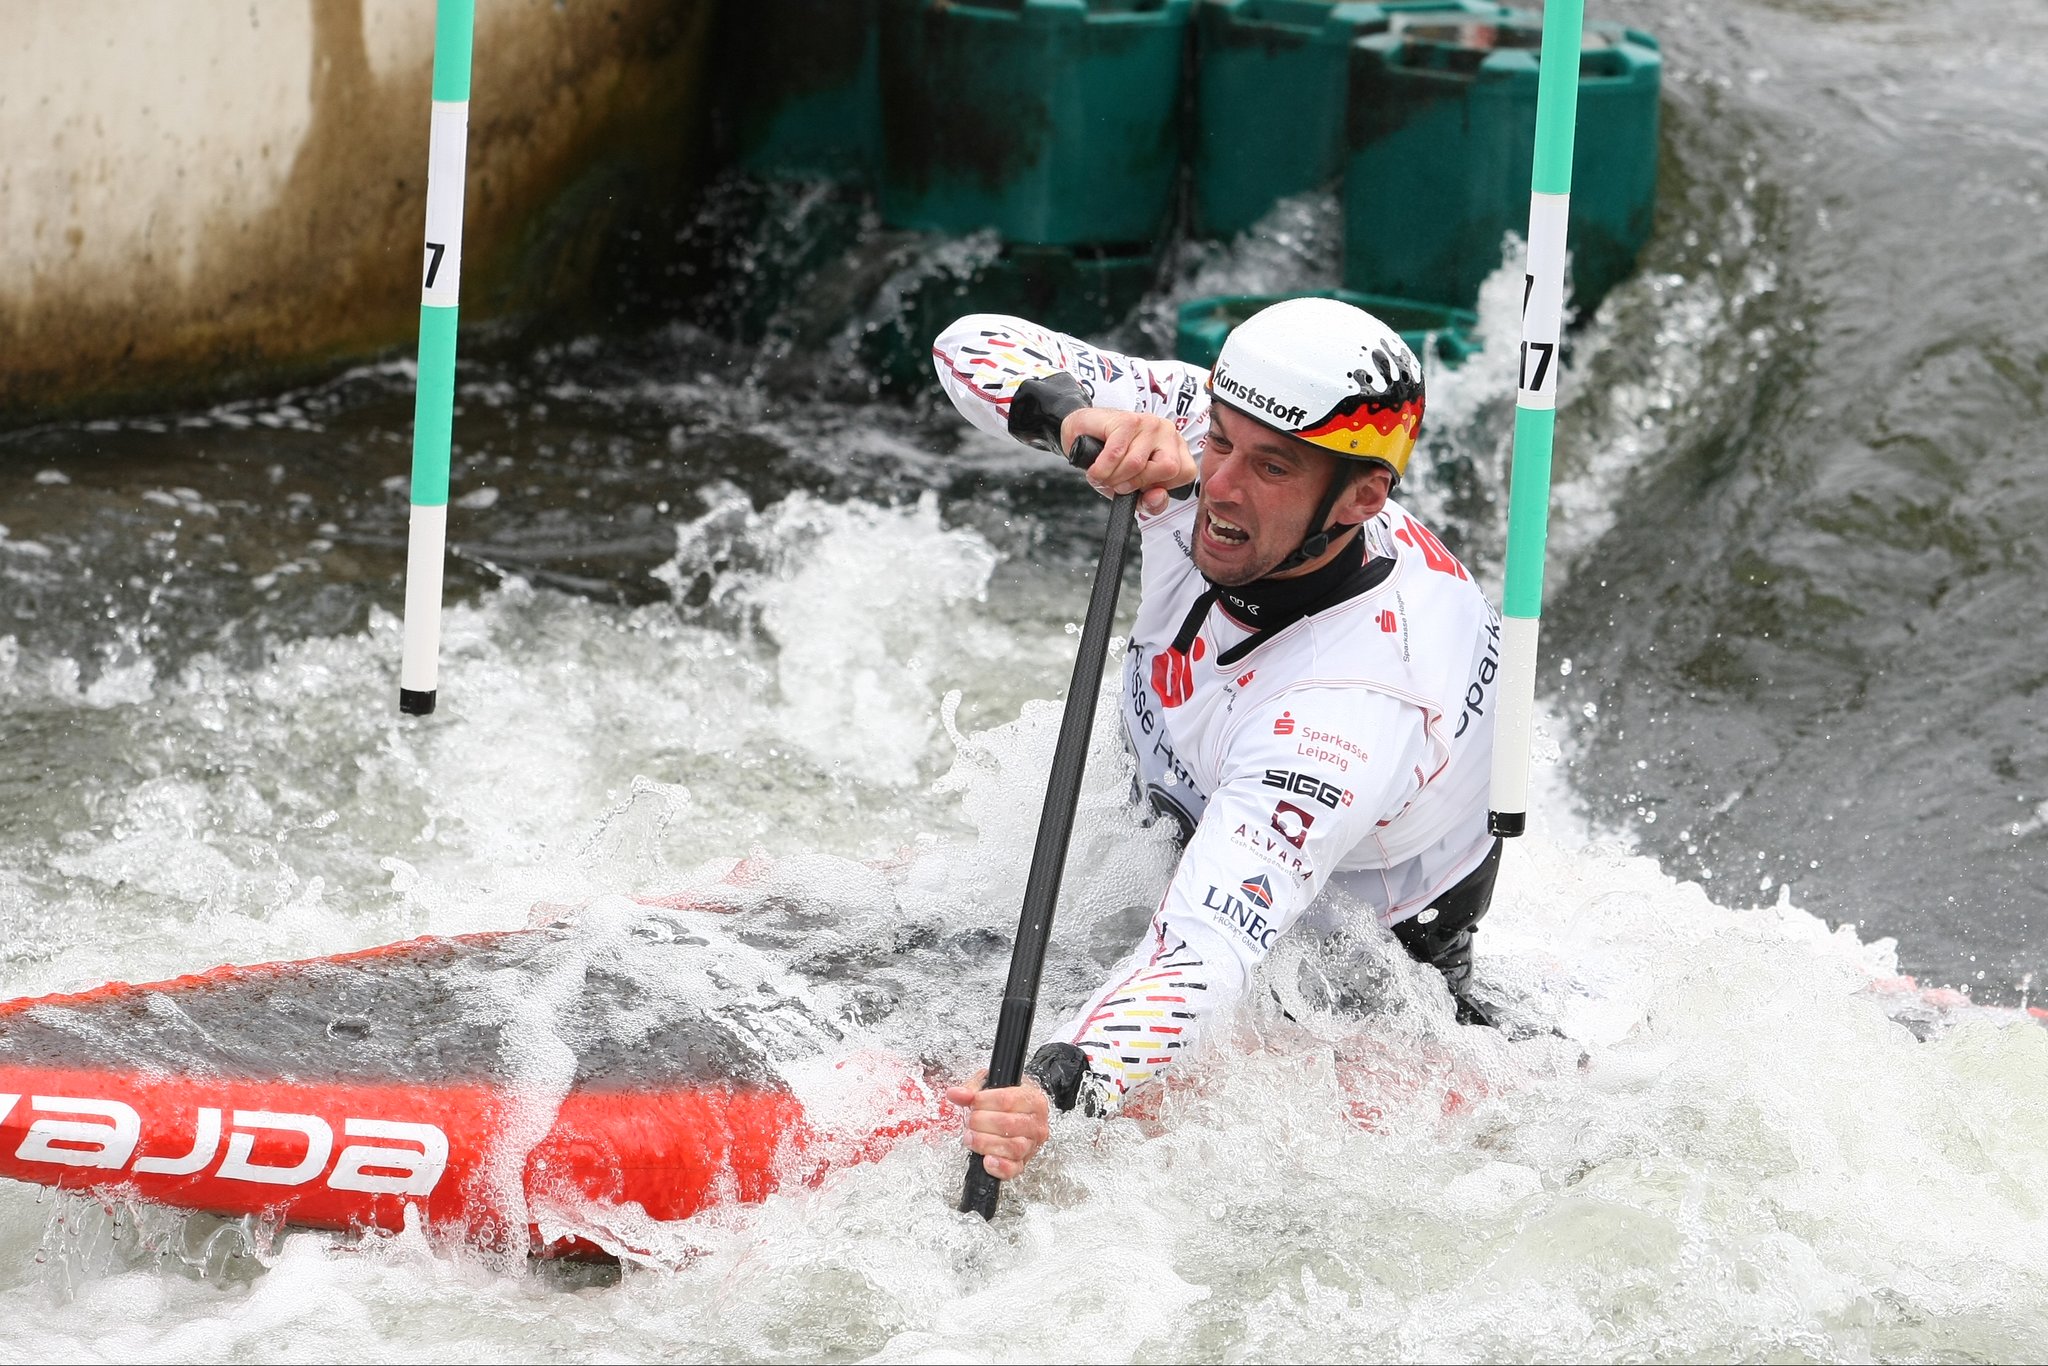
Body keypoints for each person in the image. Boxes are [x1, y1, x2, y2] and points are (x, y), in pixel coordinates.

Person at [932, 298, 1504, 1182]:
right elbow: (966, 343)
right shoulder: (1212, 429)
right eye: (1221, 443)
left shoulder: (1345, 713)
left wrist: (1058, 1084)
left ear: (1360, 497)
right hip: (1180, 830)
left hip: (1342, 982)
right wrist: (1083, 423)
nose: (1222, 485)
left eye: (1269, 468)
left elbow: (1206, 951)